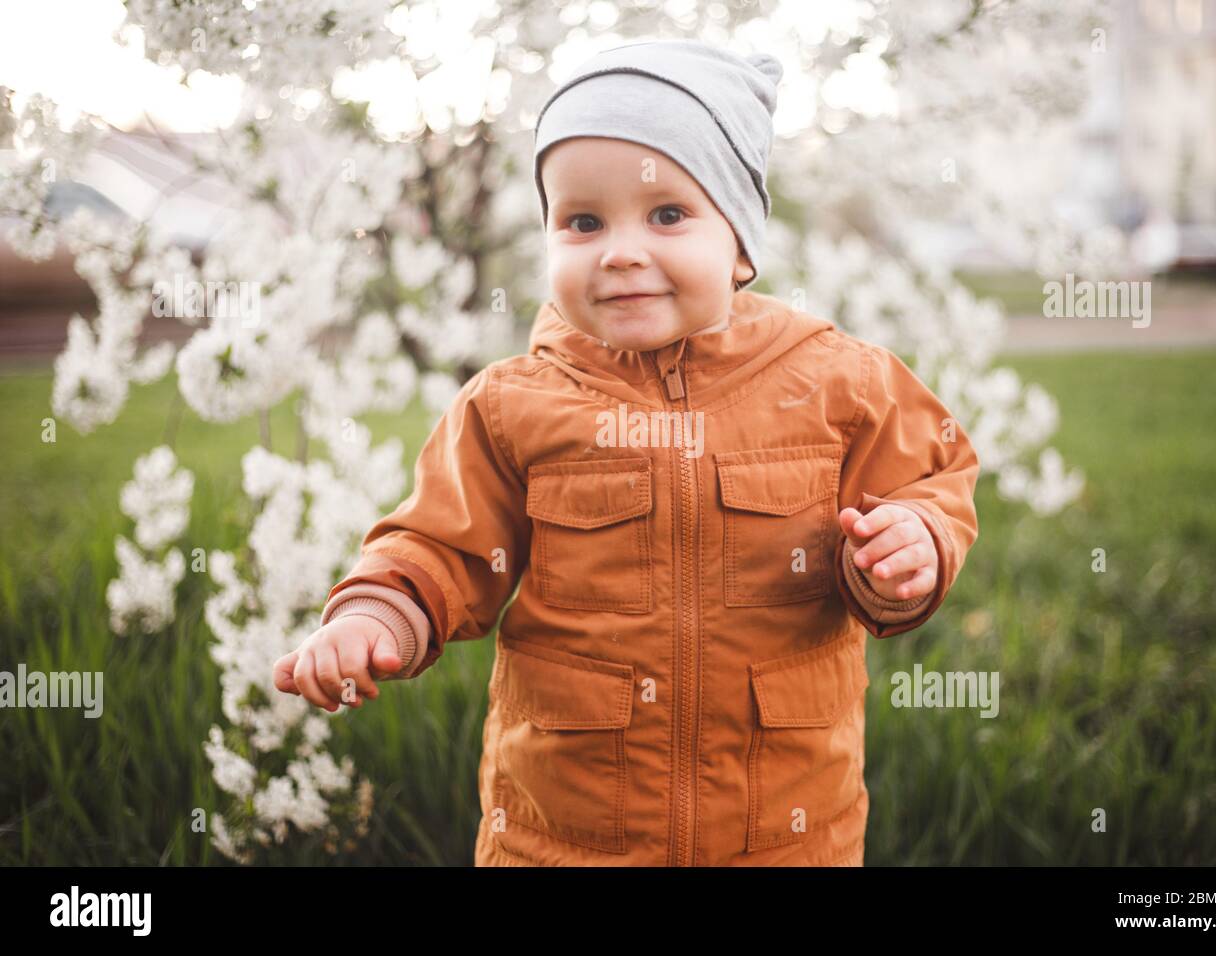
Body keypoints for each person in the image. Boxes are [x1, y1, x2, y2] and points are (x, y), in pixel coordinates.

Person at [273, 38, 980, 866]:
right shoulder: (513, 406)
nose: (618, 249)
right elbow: (438, 544)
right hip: (564, 839)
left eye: (667, 214)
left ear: (742, 243)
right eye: (582, 222)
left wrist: (912, 543)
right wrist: (375, 614)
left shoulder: (836, 383)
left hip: (787, 835)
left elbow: (933, 475)